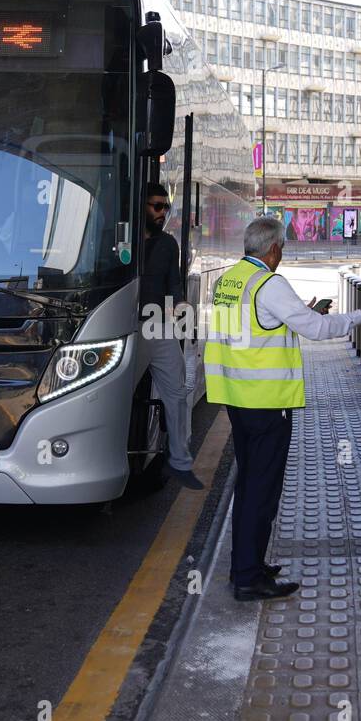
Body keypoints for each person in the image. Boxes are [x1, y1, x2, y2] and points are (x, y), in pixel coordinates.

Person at [206, 215, 361, 601]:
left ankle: (246, 565)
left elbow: (258, 327)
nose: (281, 253)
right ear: (273, 249)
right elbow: (315, 331)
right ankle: (249, 578)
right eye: (281, 247)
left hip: (238, 400)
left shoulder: (230, 280)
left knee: (249, 486)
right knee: (261, 492)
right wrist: (358, 316)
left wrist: (306, 311)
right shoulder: (269, 283)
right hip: (267, 405)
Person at [138, 183, 202, 490]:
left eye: (166, 207)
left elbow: (174, 284)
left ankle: (179, 461)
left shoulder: (168, 244)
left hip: (157, 326)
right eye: (156, 206)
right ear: (142, 206)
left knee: (176, 395)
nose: (162, 213)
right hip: (122, 326)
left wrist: (180, 304)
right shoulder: (121, 239)